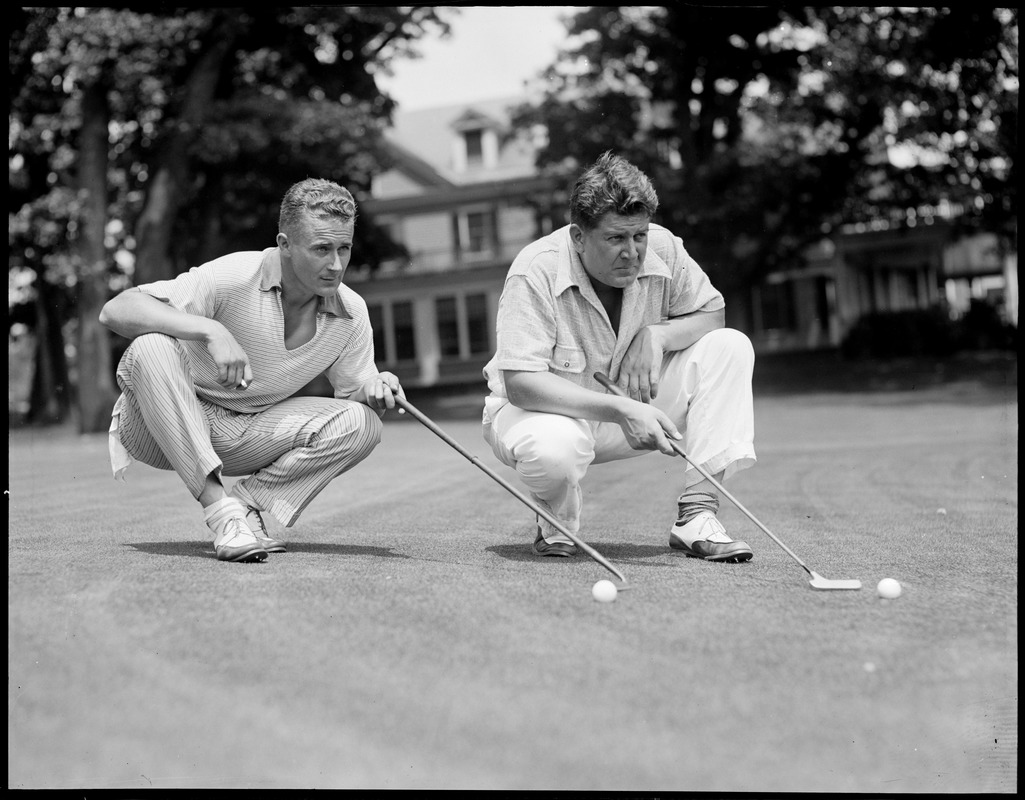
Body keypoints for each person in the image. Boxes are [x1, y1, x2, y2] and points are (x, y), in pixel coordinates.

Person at [100, 178, 404, 563]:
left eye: (344, 248)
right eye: (322, 249)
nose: (336, 265)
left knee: (363, 423)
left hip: (243, 435)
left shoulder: (352, 312)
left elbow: (353, 397)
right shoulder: (232, 275)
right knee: (151, 345)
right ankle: (221, 513)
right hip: (156, 426)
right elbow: (115, 310)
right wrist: (212, 329)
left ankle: (243, 507)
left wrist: (375, 387)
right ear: (284, 245)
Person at [482, 152, 757, 562]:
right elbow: (522, 385)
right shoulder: (534, 269)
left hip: (635, 408)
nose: (632, 252)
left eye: (639, 235)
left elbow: (712, 313)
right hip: (540, 416)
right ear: (578, 236)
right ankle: (556, 521)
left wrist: (659, 334)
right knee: (553, 449)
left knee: (732, 345)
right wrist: (622, 410)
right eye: (615, 239)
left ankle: (697, 515)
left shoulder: (662, 245)